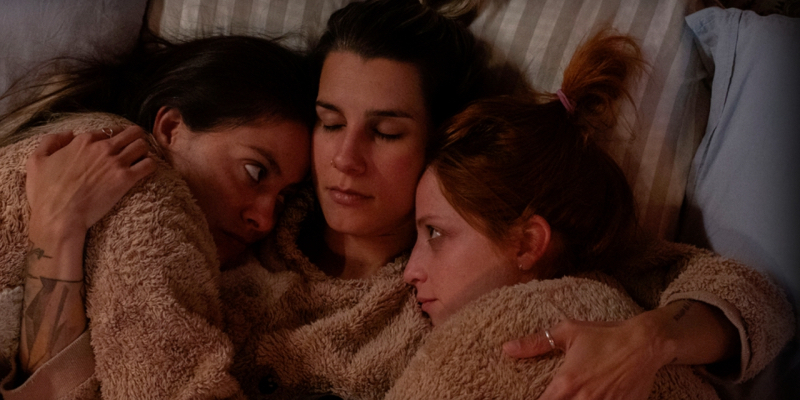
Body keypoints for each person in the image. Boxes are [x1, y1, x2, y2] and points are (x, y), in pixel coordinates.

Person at [10, 1, 794, 399]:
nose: (343, 160)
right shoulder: (245, 225)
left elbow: (738, 290)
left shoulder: (480, 259)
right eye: (328, 122)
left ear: (432, 142)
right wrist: (55, 237)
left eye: (384, 131)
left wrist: (653, 337)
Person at [388, 29, 794, 399]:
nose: (411, 270)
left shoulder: (625, 279)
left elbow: (760, 302)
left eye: (436, 234)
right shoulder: (408, 312)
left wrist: (650, 338)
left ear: (528, 242)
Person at [0, 34, 315, 399]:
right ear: (170, 128)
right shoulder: (147, 192)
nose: (265, 219)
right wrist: (56, 231)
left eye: (283, 199)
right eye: (255, 172)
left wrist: (56, 232)